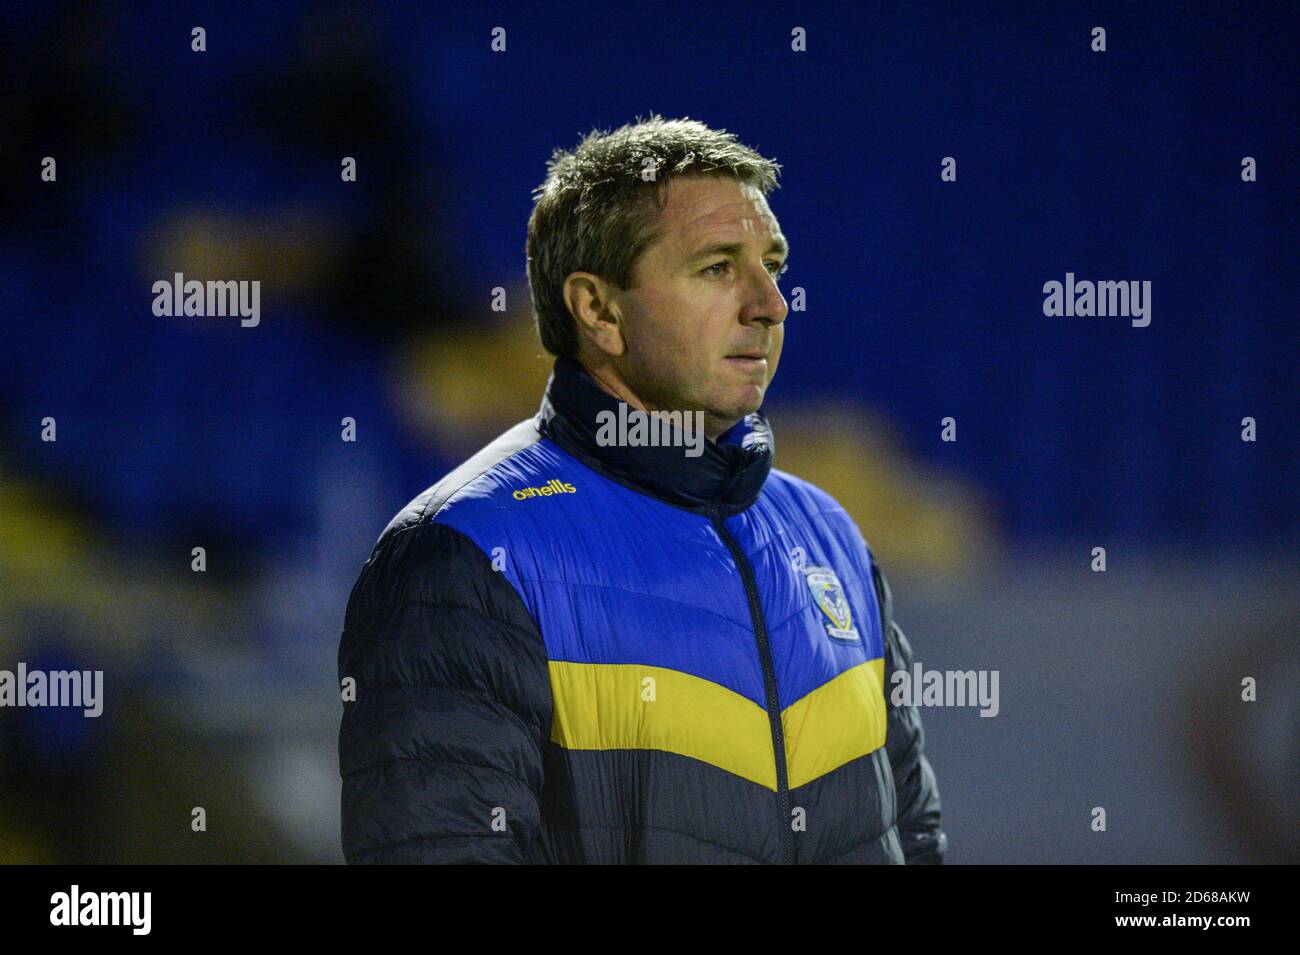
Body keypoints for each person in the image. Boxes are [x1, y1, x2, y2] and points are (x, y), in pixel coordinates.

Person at [338, 114, 946, 864]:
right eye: (718, 267)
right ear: (598, 310)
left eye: (772, 266)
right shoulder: (464, 558)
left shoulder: (830, 537)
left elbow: (909, 835)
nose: (770, 304)